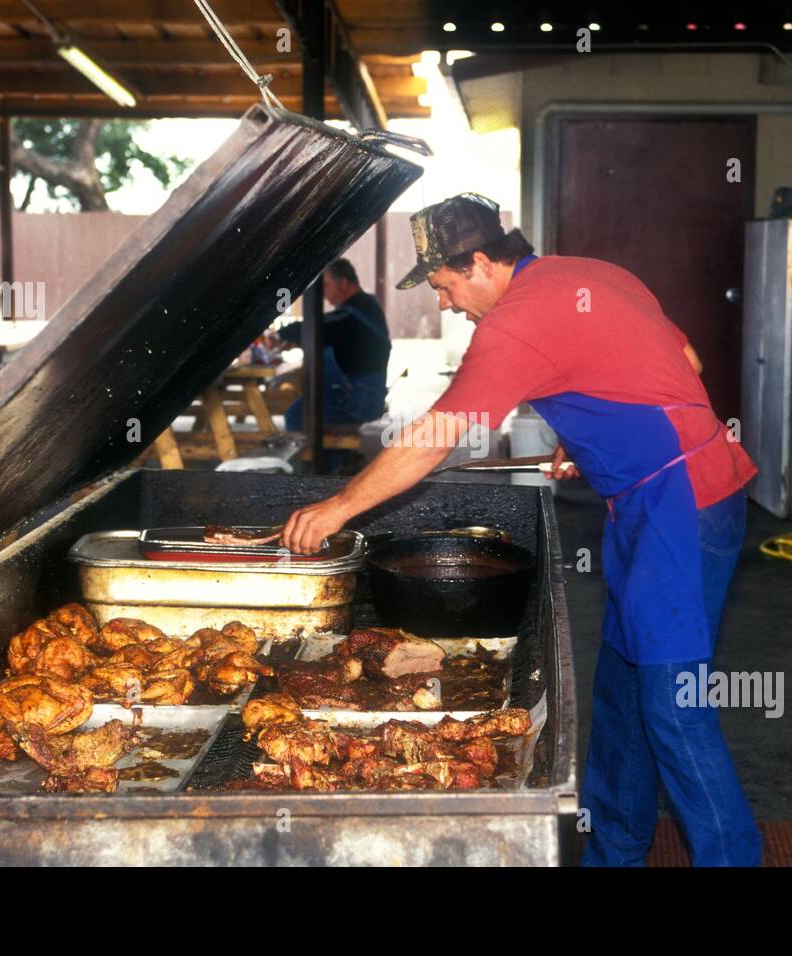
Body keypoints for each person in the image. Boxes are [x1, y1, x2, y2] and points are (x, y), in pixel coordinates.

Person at [280, 192, 762, 866]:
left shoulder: (515, 322)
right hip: (658, 502)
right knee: (624, 693)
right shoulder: (587, 273)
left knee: (673, 708)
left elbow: (434, 438)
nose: (445, 304)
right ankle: (613, 855)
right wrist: (591, 432)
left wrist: (337, 508)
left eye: (445, 286)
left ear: (480, 262)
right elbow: (683, 360)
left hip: (682, 504)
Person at [277, 258, 391, 433]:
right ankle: (326, 450)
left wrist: (279, 334)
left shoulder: (351, 315)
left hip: (358, 403)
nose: (323, 293)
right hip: (364, 397)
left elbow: (315, 327)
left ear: (343, 283)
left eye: (325, 285)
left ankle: (313, 452)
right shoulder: (365, 306)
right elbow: (328, 330)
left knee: (296, 415)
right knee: (306, 403)